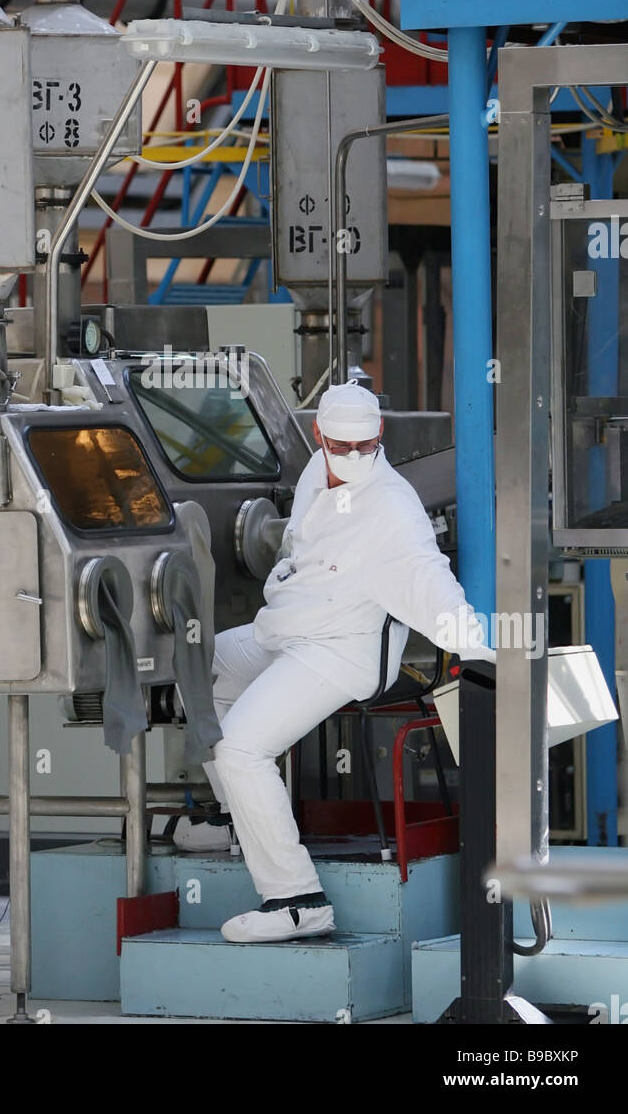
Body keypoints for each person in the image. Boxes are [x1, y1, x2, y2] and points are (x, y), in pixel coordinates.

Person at [174, 380, 496, 943]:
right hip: (287, 631)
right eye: (341, 447)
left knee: (240, 746)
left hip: (341, 651)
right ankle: (238, 820)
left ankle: (296, 899)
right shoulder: (312, 474)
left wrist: (482, 653)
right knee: (198, 671)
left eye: (364, 448)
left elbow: (431, 581)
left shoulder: (392, 509)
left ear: (380, 437)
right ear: (319, 435)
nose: (352, 459)